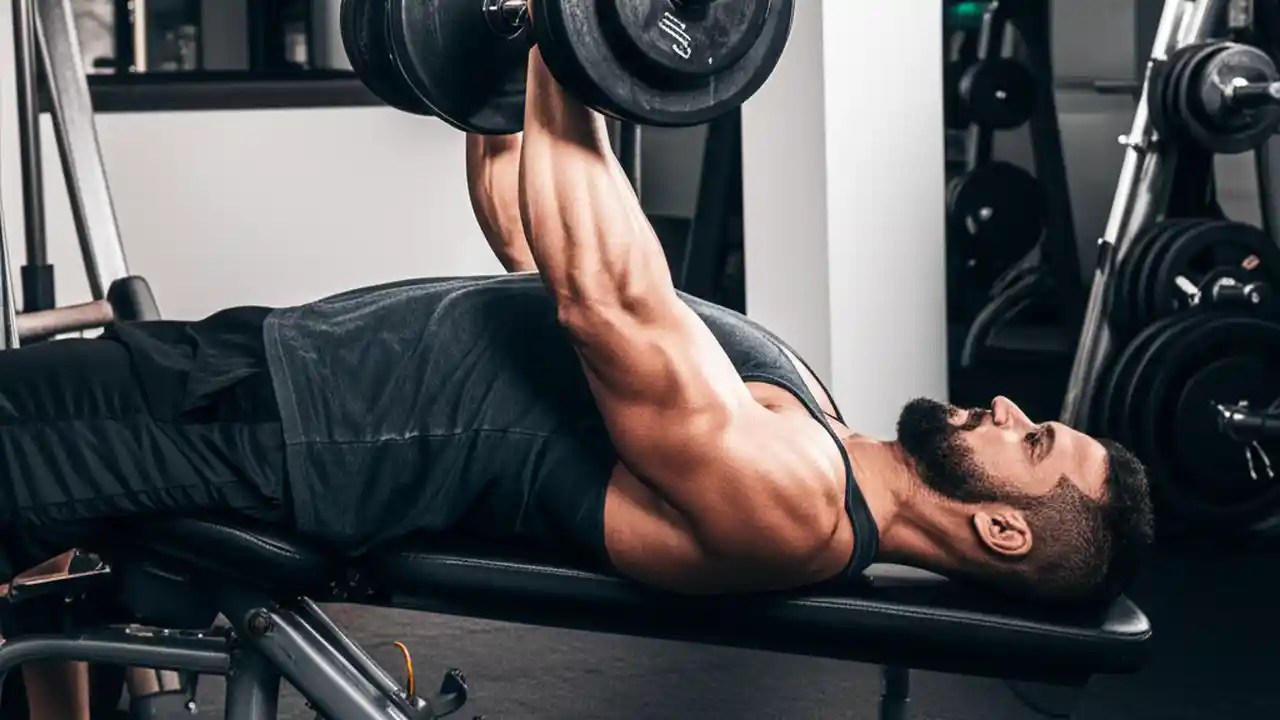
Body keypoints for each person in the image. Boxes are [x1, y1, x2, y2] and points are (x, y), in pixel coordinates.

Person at [0, 48, 1154, 719]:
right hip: (270, 376)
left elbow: (600, 298)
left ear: (1003, 528)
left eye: (1034, 437)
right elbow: (536, 243)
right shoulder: (812, 423)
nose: (1009, 407)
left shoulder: (791, 503)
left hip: (274, 434)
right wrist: (507, 77)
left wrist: (573, 45)